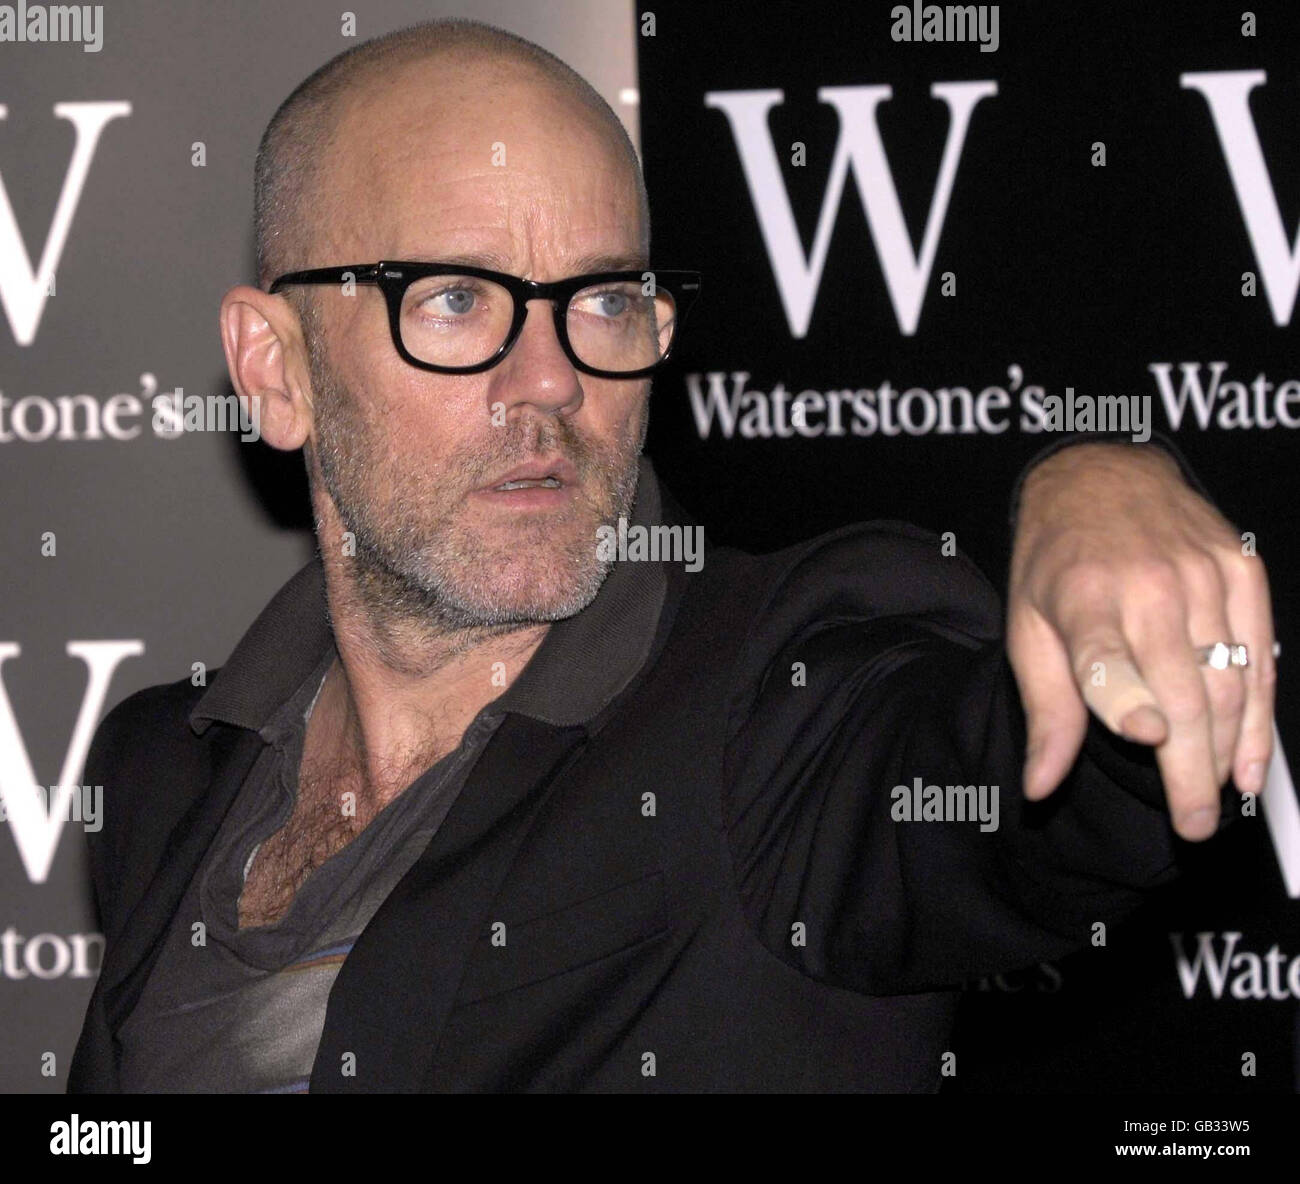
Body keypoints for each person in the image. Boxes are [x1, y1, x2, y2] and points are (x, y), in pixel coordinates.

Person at [68, 18, 1275, 1093]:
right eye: (452, 299)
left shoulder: (773, 706)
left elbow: (1008, 790)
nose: (549, 379)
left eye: (603, 300)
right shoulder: (163, 770)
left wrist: (1103, 492)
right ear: (275, 369)